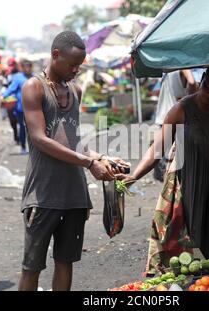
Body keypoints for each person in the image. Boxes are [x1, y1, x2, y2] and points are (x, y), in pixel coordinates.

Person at [18, 31, 128, 291]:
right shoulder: (34, 87)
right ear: (56, 55)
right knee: (32, 266)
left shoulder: (75, 90)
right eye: (72, 64)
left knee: (65, 262)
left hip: (74, 196)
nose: (77, 70)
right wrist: (89, 164)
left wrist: (101, 157)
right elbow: (40, 139)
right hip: (43, 195)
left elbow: (73, 141)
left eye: (80, 65)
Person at [118, 64, 209, 274]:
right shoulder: (182, 109)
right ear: (202, 78)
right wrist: (133, 176)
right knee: (184, 245)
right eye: (208, 88)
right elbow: (156, 150)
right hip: (186, 187)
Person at [152, 70, 198, 181]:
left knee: (170, 167)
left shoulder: (169, 67)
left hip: (167, 119)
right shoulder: (182, 66)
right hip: (174, 119)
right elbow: (192, 82)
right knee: (174, 168)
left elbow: (190, 82)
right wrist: (190, 100)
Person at [2, 60, 33, 154]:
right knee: (23, 127)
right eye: (25, 67)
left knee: (33, 129)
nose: (27, 69)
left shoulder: (34, 77)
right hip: (21, 108)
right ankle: (23, 147)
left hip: (34, 108)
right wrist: (3, 96)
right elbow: (11, 89)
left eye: (29, 67)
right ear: (22, 68)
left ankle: (33, 148)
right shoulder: (18, 78)